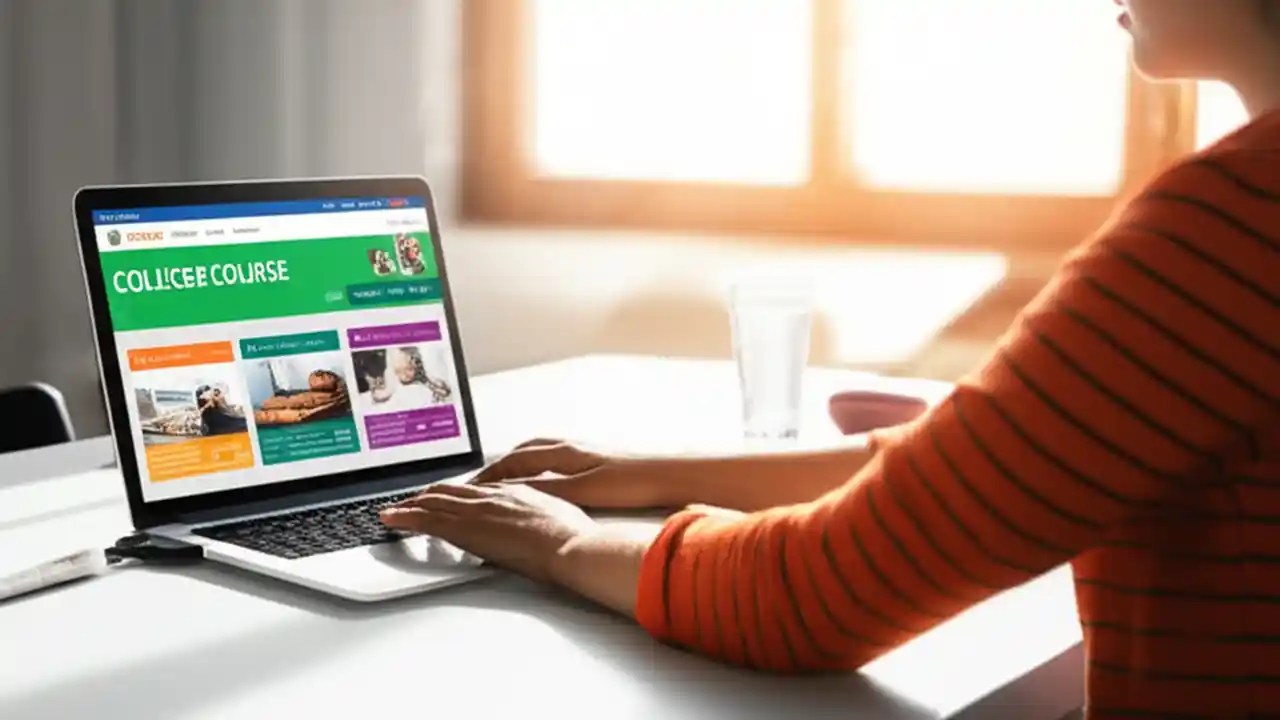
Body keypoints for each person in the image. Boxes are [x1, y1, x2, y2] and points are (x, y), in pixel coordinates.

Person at [381, 2, 1279, 715]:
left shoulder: (1229, 224)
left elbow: (812, 595)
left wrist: (564, 539)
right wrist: (631, 473)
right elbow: (973, 468)